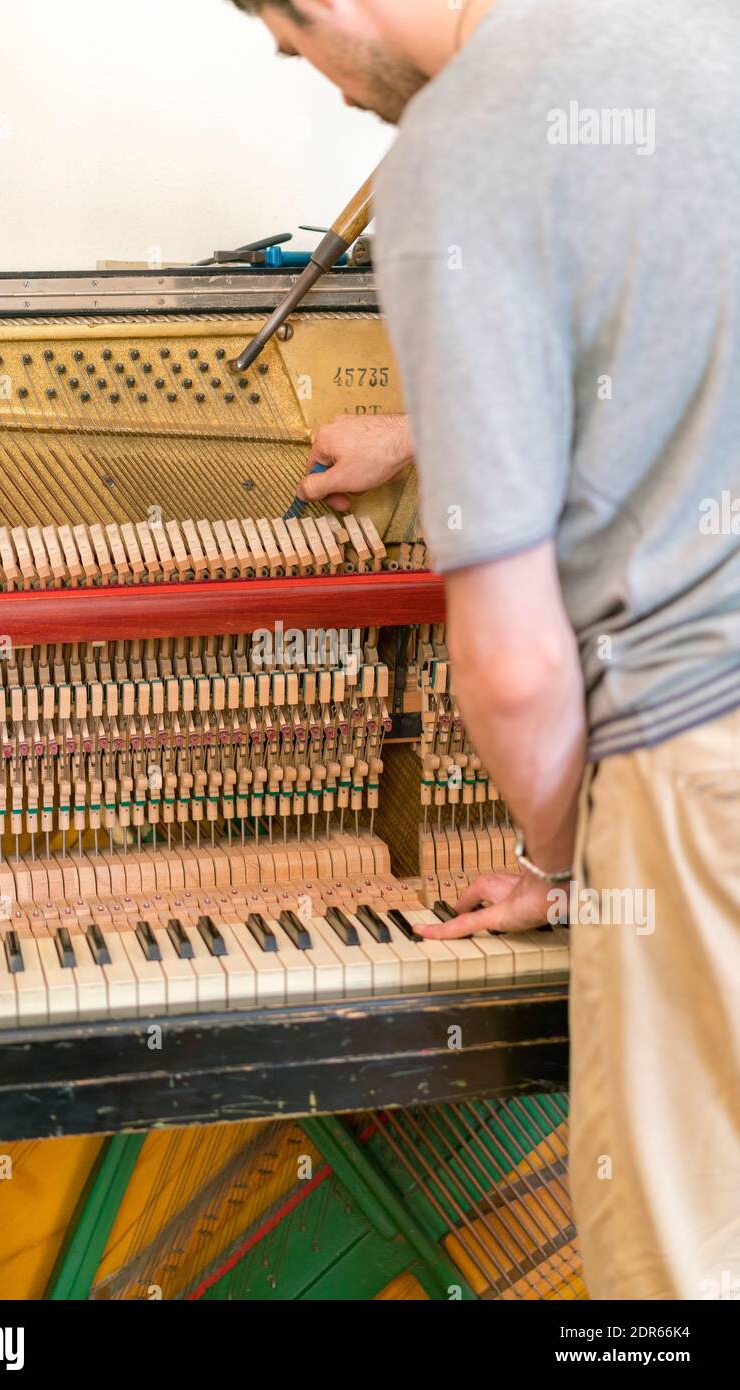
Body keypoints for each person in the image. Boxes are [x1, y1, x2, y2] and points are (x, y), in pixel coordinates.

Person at [228, 0, 740, 1301]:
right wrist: (427, 429)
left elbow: (512, 669)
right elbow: (667, 336)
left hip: (700, 779)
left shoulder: (462, 144)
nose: (330, 87)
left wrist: (559, 860)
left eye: (297, 48)